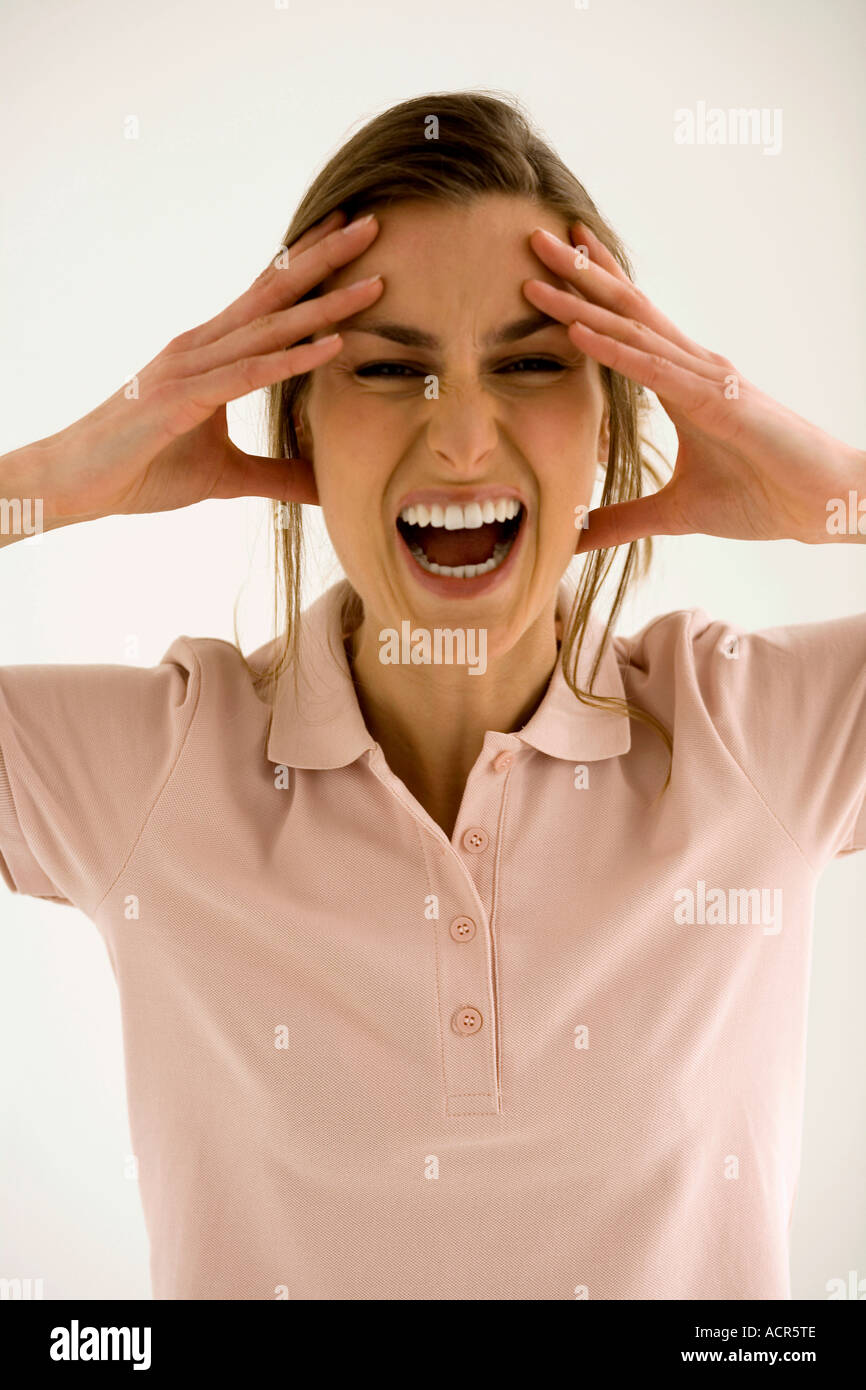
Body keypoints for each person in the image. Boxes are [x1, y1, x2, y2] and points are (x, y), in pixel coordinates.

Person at [1, 90, 863, 1301]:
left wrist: (841, 494)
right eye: (391, 368)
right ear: (296, 424)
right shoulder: (157, 766)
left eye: (528, 364)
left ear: (611, 419)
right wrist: (48, 480)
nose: (461, 436)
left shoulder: (753, 736)